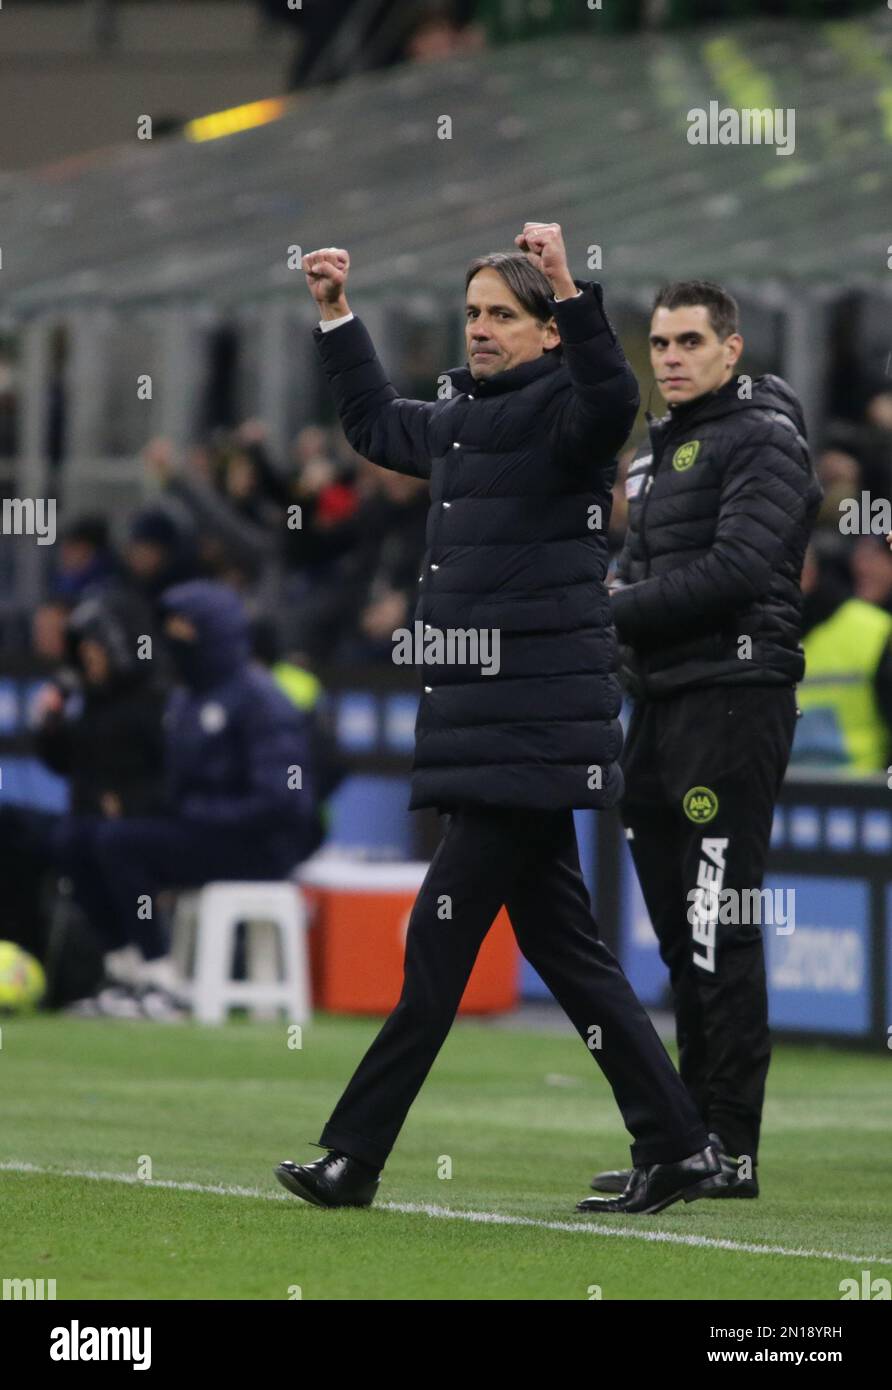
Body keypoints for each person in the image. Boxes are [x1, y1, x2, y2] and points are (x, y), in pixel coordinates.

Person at [273, 224, 726, 1216]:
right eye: (472, 313)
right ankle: (679, 1143)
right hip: (495, 726)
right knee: (568, 951)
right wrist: (335, 315)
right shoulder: (460, 419)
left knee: (436, 948)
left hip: (528, 727)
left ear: (547, 331)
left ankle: (354, 1155)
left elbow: (614, 394)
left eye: (500, 316)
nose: (478, 331)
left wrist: (570, 284)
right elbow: (371, 424)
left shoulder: (570, 412)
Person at [592, 280, 822, 1200]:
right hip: (661, 704)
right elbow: (647, 568)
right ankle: (688, 1146)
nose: (672, 356)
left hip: (733, 701)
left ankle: (734, 1149)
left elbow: (738, 570)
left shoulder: (764, 439)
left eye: (691, 340)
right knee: (683, 934)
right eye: (659, 343)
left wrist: (611, 610)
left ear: (732, 350)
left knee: (719, 925)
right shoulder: (659, 452)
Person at [59, 580, 325, 1019]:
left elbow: (284, 799)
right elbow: (177, 785)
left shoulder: (260, 698)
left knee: (120, 845)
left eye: (185, 627)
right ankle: (124, 969)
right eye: (171, 627)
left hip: (261, 844)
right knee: (76, 840)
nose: (175, 638)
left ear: (213, 630)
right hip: (203, 832)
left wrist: (199, 813)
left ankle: (165, 981)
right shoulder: (184, 698)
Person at [791, 542, 892, 773]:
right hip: (783, 798)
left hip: (865, 798)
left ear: (807, 573)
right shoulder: (756, 634)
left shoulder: (873, 630)